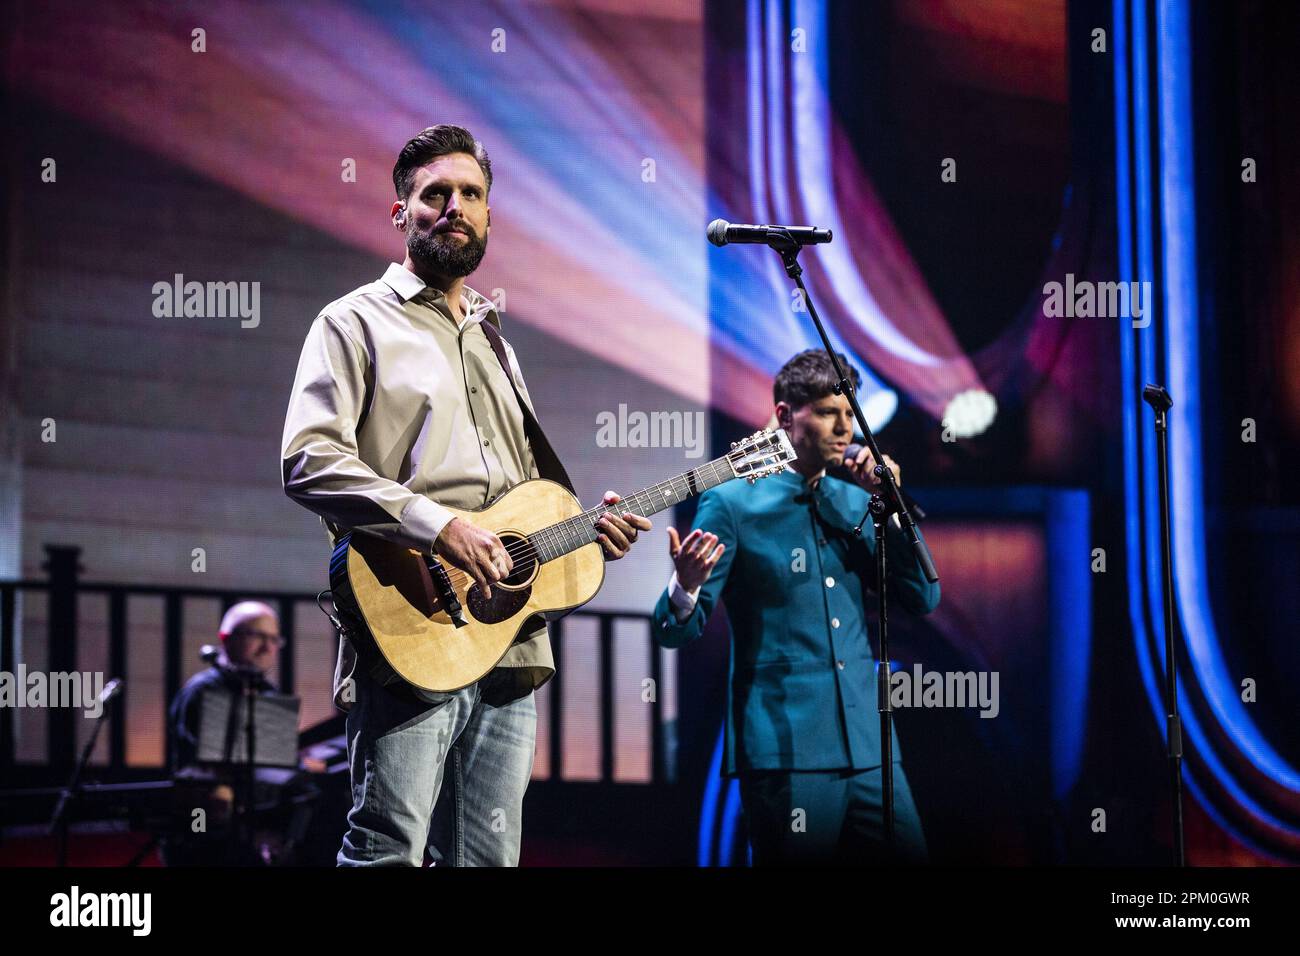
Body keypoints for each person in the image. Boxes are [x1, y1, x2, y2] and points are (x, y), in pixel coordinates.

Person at [281, 125, 650, 866]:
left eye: (471, 194)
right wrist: (436, 526)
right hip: (412, 613)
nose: (455, 207)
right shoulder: (353, 322)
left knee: (488, 856)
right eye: (435, 194)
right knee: (388, 847)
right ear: (401, 214)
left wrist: (583, 533)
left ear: (489, 216)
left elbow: (516, 500)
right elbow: (307, 458)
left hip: (509, 638)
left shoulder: (494, 339)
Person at [652, 349, 940, 865]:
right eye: (830, 413)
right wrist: (686, 585)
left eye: (851, 414)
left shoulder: (857, 503)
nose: (845, 428)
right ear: (785, 416)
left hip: (871, 746)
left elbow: (924, 596)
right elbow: (676, 630)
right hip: (787, 751)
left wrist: (893, 508)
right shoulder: (733, 503)